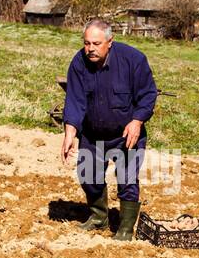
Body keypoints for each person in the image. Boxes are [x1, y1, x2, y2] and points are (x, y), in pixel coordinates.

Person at [60, 19, 159, 240]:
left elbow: (148, 95)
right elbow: (75, 100)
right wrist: (70, 133)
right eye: (87, 43)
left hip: (126, 134)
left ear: (110, 41)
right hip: (93, 134)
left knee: (127, 178)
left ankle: (125, 226)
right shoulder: (79, 63)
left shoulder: (133, 60)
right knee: (88, 175)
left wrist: (137, 121)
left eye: (96, 43)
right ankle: (98, 217)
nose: (90, 49)